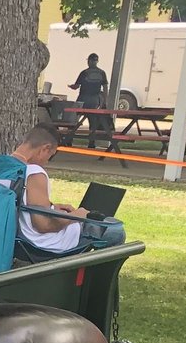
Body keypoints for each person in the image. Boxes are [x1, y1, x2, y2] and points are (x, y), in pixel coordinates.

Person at [11, 125, 125, 257]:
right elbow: (44, 226)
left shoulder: (1, 167)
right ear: (45, 148)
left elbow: (21, 204)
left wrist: (50, 207)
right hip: (43, 245)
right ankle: (95, 276)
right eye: (50, 156)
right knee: (116, 231)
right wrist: (78, 215)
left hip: (17, 239)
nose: (46, 162)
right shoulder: (34, 173)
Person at [70, 52, 110, 146]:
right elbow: (105, 88)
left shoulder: (84, 73)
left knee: (74, 119)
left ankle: (69, 139)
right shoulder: (102, 73)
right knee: (93, 121)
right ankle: (91, 142)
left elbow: (76, 86)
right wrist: (104, 101)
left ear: (89, 61)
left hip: (83, 98)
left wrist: (72, 86)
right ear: (97, 61)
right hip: (94, 100)